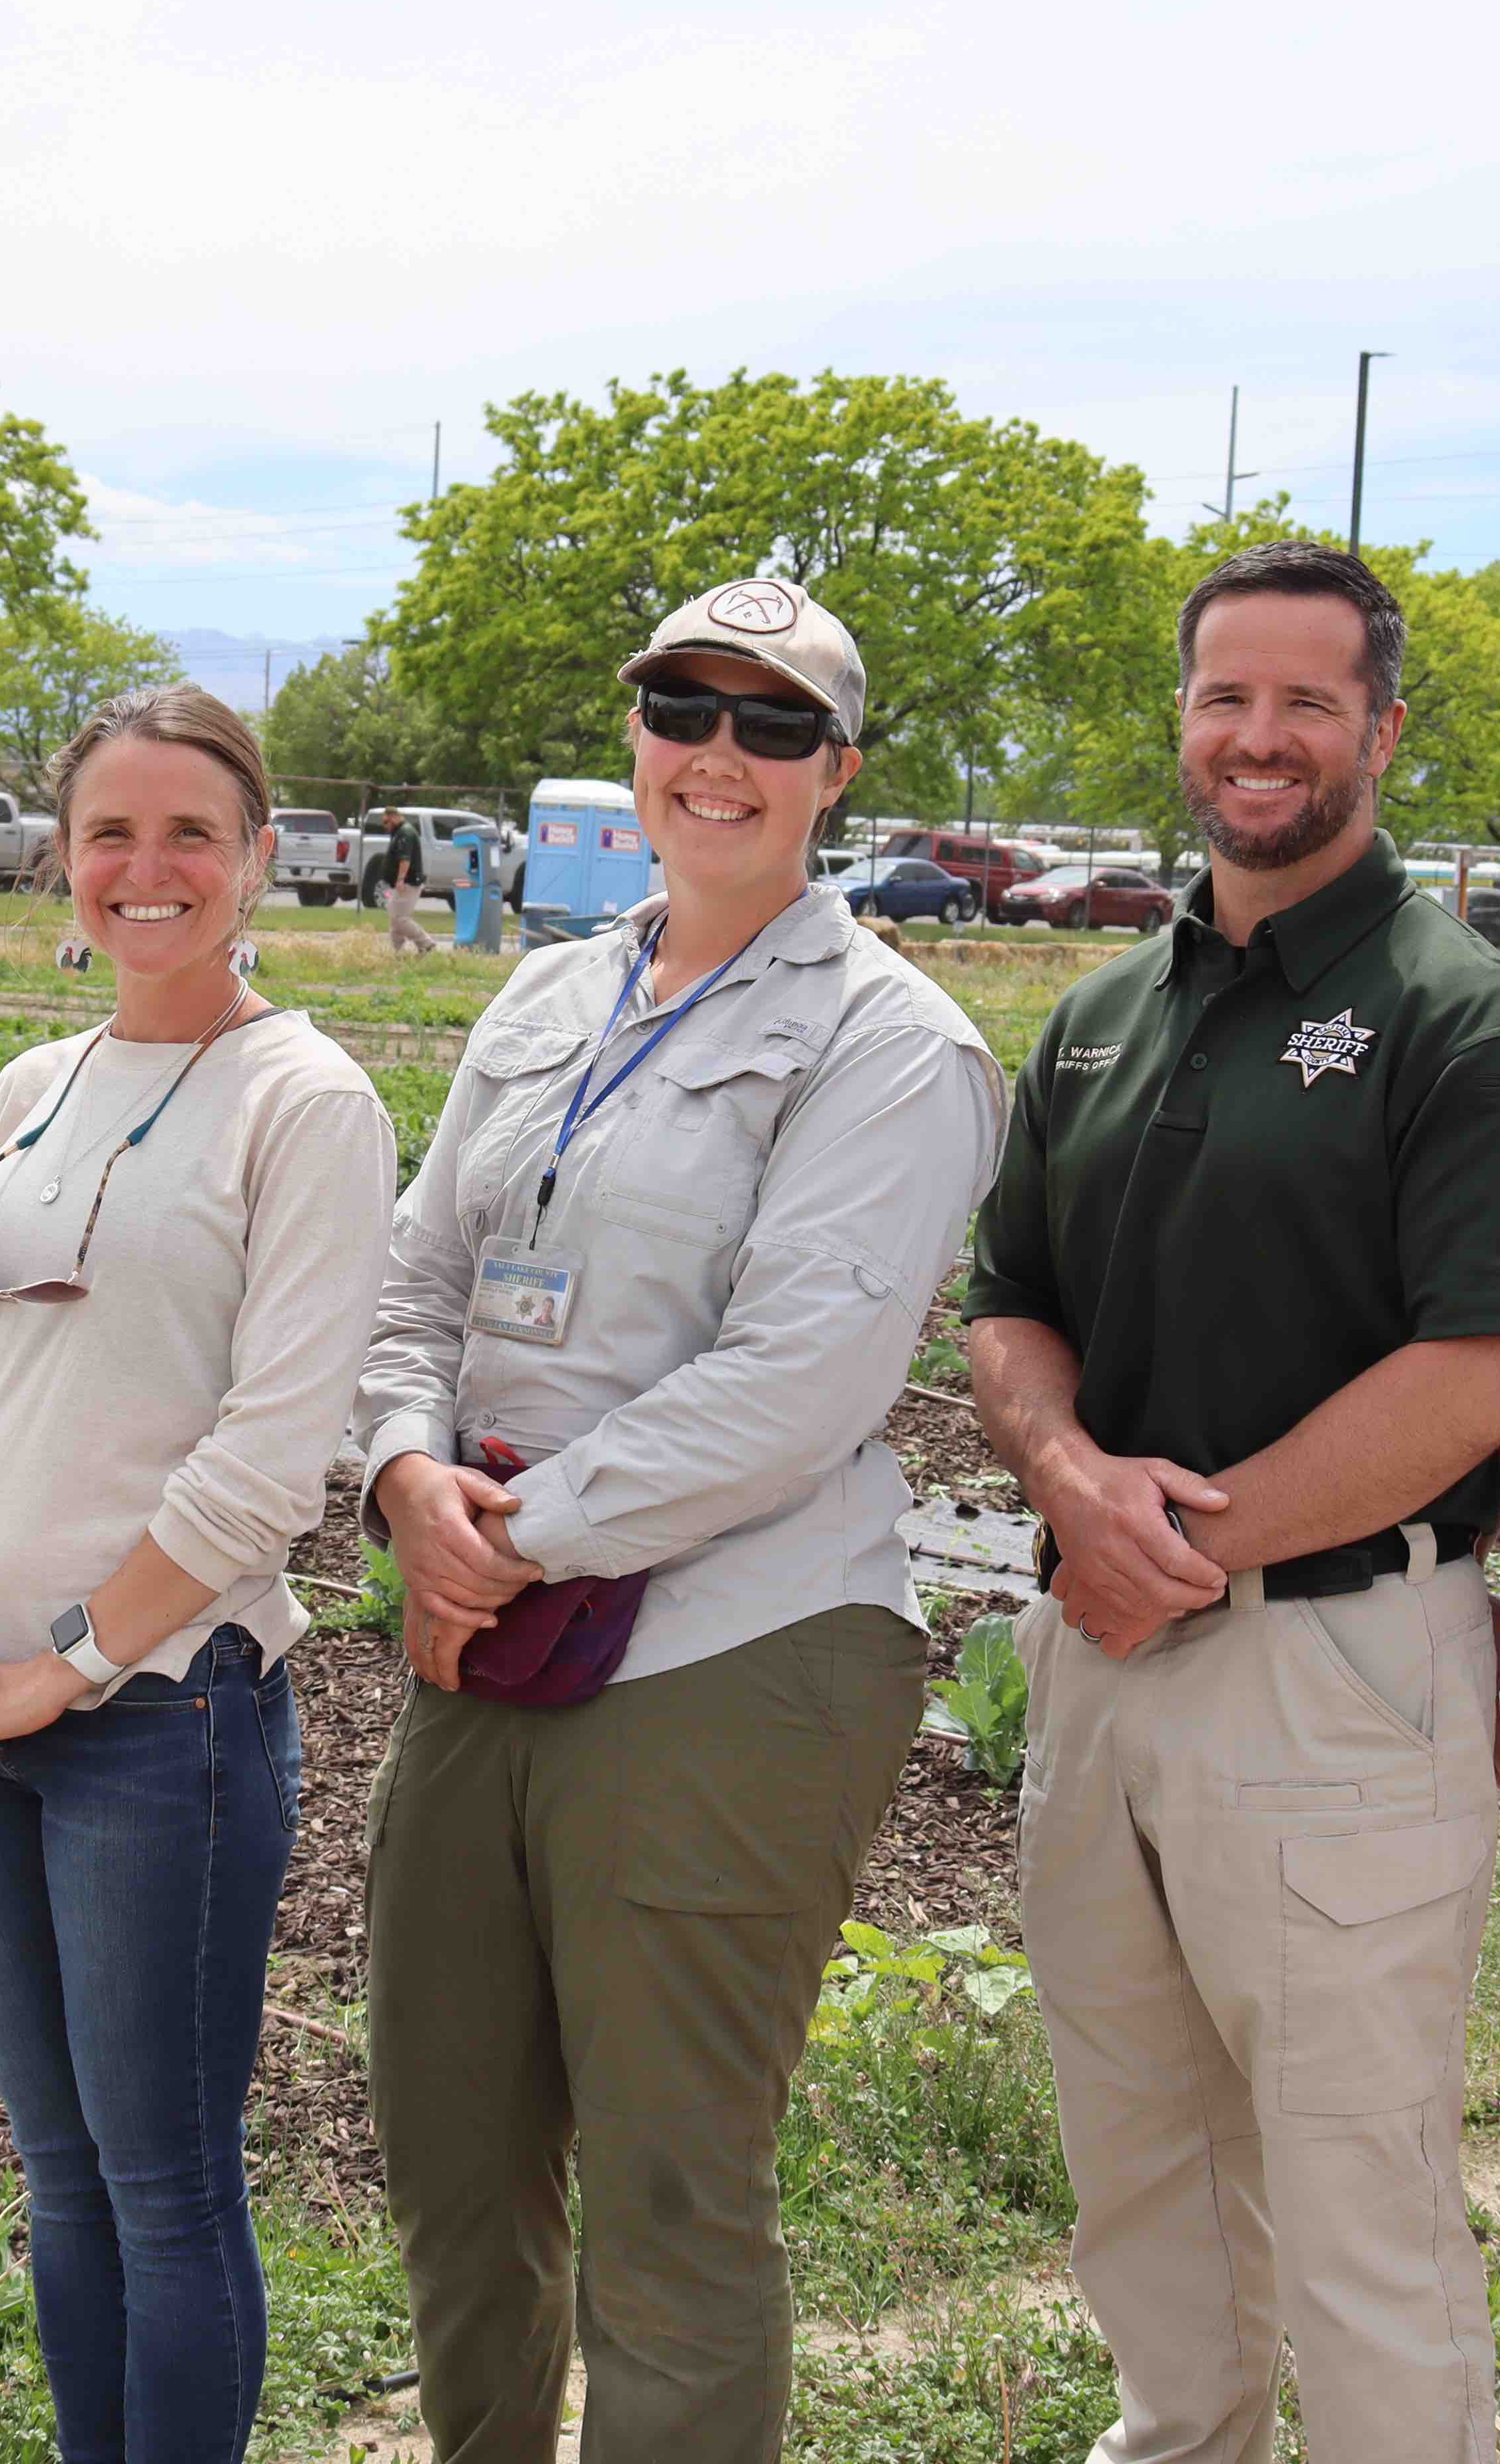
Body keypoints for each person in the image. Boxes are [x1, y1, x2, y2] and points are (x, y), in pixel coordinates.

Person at [354, 576, 1003, 2463]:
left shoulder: (889, 1042)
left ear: (836, 776)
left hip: (731, 1644)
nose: (720, 755)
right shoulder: (548, 994)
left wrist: (505, 1536)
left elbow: (805, 1382)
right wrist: (406, 1480)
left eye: (773, 726)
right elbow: (415, 1286)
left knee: (666, 2195)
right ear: (638, 742)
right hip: (487, 1623)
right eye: (684, 711)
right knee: (455, 2154)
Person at [962, 540, 1500, 2463]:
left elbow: (1488, 1368)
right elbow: (1009, 1312)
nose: (1260, 735)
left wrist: (1182, 1548)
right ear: (1184, 723)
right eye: (1226, 696)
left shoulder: (1460, 1018)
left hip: (1333, 1663)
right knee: (1141, 2157)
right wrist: (1077, 1488)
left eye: (1306, 699)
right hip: (1104, 1655)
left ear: (1381, 731)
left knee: (1352, 2191)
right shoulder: (1101, 1011)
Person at [0, 687, 397, 2464]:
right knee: (60, 2173)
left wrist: (64, 1670)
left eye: (191, 836)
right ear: (63, 862)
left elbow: (269, 1462)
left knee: (165, 2184)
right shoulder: (39, 1085)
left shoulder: (304, 1104)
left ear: (260, 862)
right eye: (112, 834)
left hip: (160, 1727)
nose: (147, 870)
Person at [378, 807, 437, 953]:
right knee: (395, 918)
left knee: (399, 918)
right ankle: (398, 951)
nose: (385, 826)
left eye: (386, 822)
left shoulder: (406, 833)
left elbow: (405, 860)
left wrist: (400, 880)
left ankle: (426, 944)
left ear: (394, 818)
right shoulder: (399, 832)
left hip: (408, 883)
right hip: (404, 883)